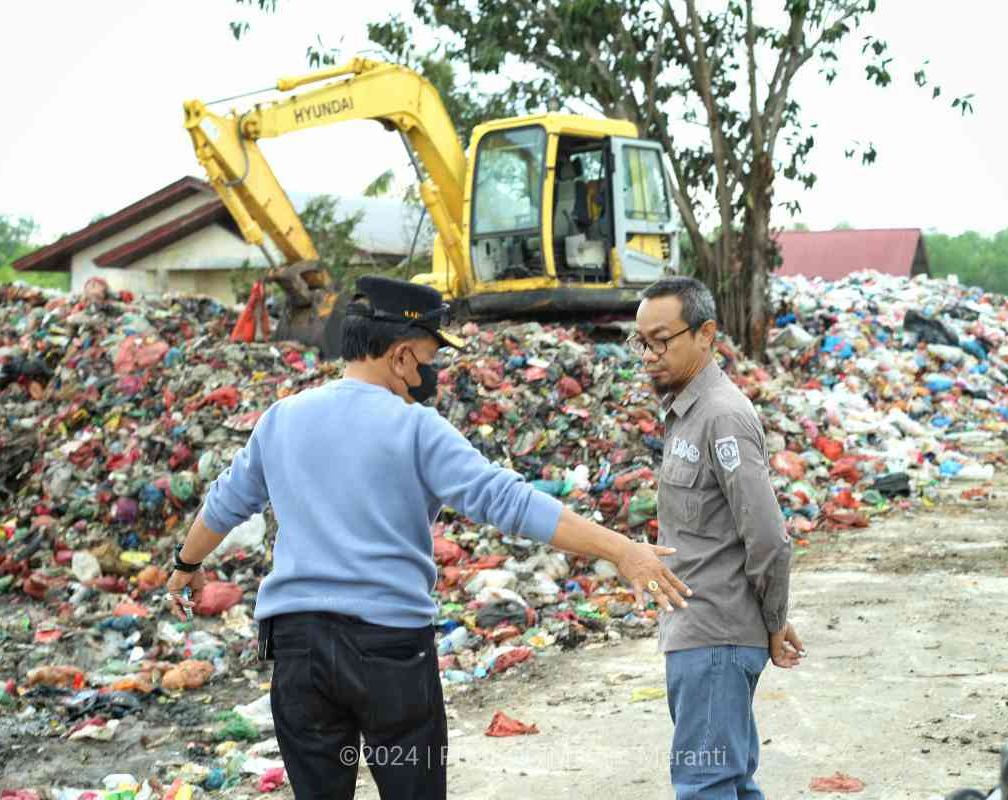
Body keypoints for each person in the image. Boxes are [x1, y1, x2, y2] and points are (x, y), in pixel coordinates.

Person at [164, 275, 689, 800]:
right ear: (398, 356)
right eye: (427, 358)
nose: (429, 373)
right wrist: (621, 550)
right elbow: (508, 501)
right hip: (386, 653)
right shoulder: (416, 427)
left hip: (299, 655)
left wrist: (186, 567)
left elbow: (224, 503)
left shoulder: (281, 419)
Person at [630, 276, 805, 800]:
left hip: (715, 639)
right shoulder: (687, 412)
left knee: (705, 785)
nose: (649, 355)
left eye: (662, 340)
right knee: (730, 784)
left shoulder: (722, 416)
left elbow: (768, 538)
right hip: (706, 636)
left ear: (706, 334)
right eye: (642, 342)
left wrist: (773, 622)